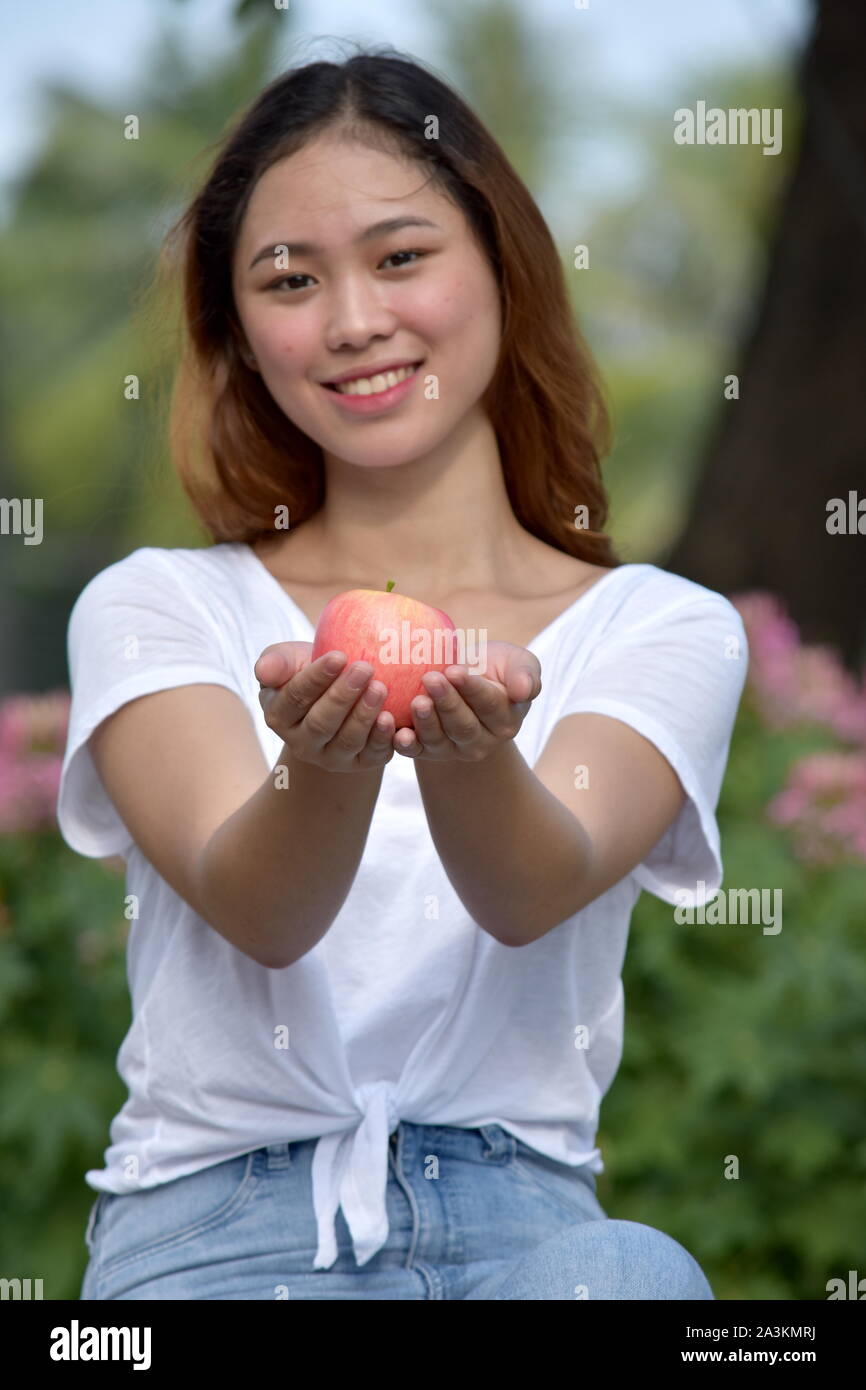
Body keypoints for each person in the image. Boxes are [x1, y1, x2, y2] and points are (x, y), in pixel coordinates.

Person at [59, 47, 747, 1300]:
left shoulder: (663, 627)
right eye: (289, 279)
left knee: (630, 1274)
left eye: (399, 257)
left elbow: (533, 888)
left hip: (527, 1237)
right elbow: (261, 909)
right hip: (218, 1237)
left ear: (502, 267)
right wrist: (321, 764)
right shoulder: (159, 606)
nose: (351, 322)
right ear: (237, 331)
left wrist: (467, 754)